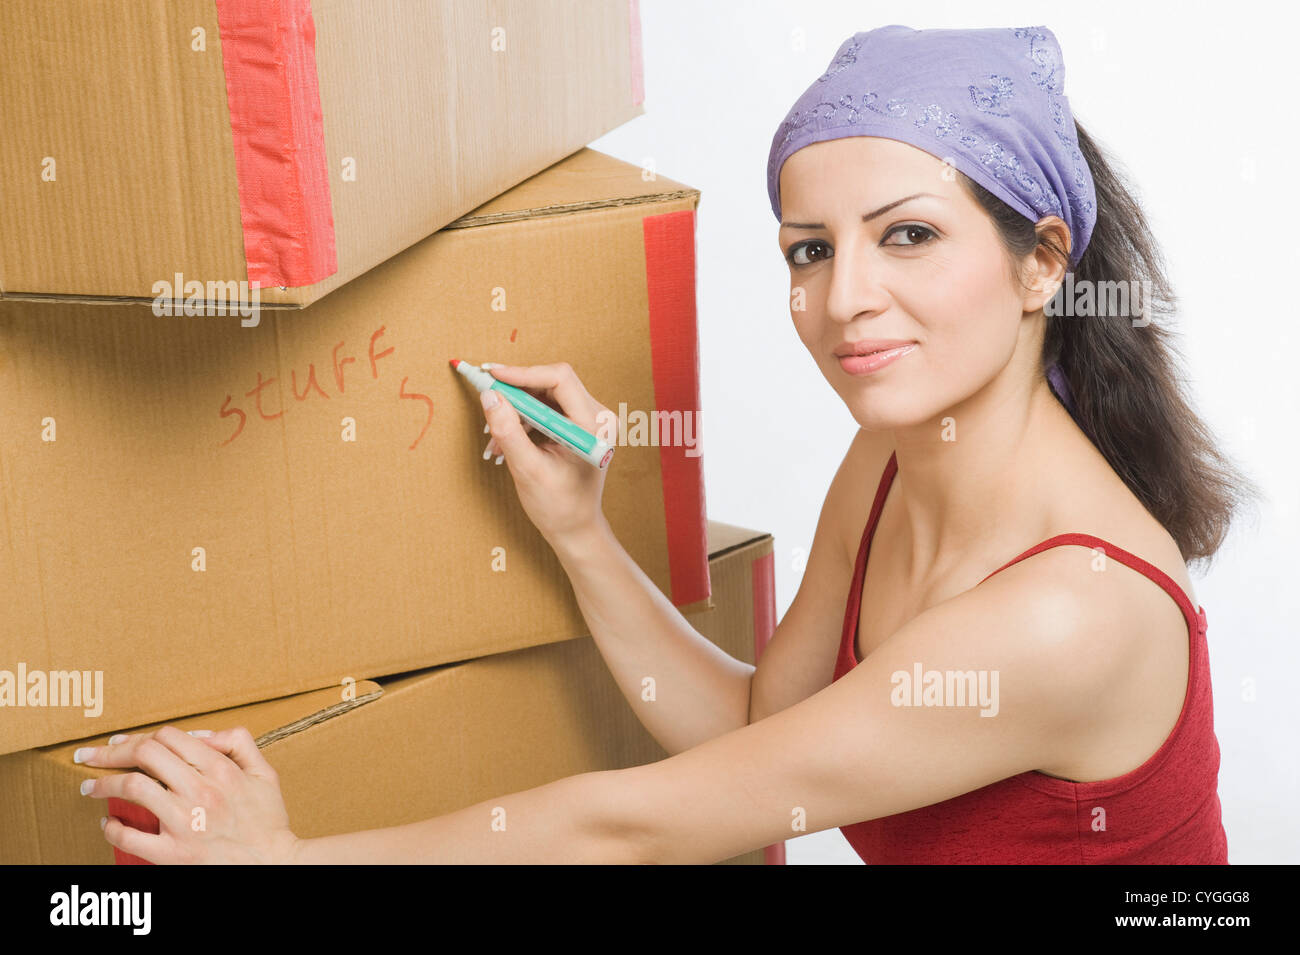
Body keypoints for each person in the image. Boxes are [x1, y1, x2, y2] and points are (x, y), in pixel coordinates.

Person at [76, 24, 1254, 864]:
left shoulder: (1069, 613)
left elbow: (651, 822)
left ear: (1042, 259)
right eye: (809, 249)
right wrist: (579, 528)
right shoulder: (892, 460)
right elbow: (755, 737)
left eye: (907, 236)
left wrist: (285, 864)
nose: (846, 299)